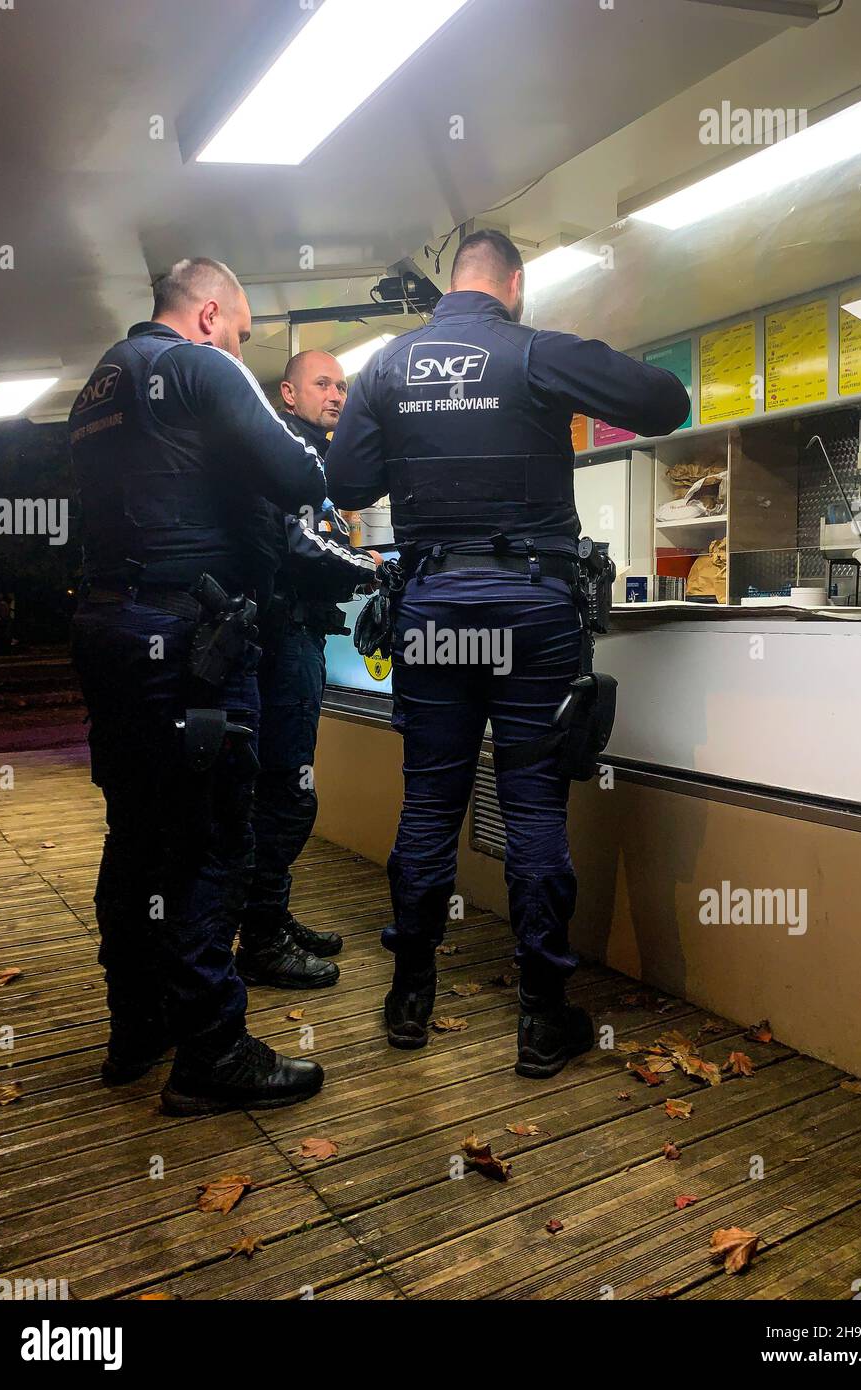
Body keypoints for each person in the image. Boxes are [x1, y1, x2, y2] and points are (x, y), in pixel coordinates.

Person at [325, 229, 690, 1077]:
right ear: (514, 285)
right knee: (531, 811)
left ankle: (409, 999)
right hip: (530, 607)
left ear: (452, 284)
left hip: (434, 608)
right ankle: (540, 1017)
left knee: (427, 808)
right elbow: (666, 404)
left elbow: (347, 485)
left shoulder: (384, 368)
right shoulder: (534, 352)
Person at [69, 257, 329, 1115]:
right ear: (210, 313)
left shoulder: (95, 392)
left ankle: (137, 1027)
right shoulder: (197, 365)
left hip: (110, 630)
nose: (242, 349)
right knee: (214, 841)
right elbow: (301, 475)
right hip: (190, 645)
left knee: (138, 837)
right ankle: (211, 1050)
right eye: (245, 334)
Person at [236, 351, 379, 988]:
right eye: (323, 384)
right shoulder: (288, 454)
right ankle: (262, 937)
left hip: (300, 638)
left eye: (343, 386)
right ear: (288, 394)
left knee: (283, 789)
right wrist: (369, 566)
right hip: (285, 640)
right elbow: (300, 545)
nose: (337, 396)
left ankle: (270, 915)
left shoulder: (310, 457)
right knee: (288, 793)